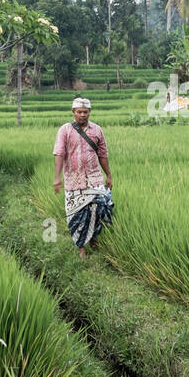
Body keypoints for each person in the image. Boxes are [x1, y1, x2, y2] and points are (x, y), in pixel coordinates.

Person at [53, 97, 113, 259]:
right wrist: (57, 177)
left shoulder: (97, 130)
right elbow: (59, 153)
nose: (82, 115)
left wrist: (108, 175)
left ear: (89, 112)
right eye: (79, 112)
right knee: (76, 214)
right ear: (73, 112)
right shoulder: (65, 130)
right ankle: (81, 247)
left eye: (85, 112)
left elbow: (103, 154)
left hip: (94, 179)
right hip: (73, 180)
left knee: (100, 208)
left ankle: (94, 238)